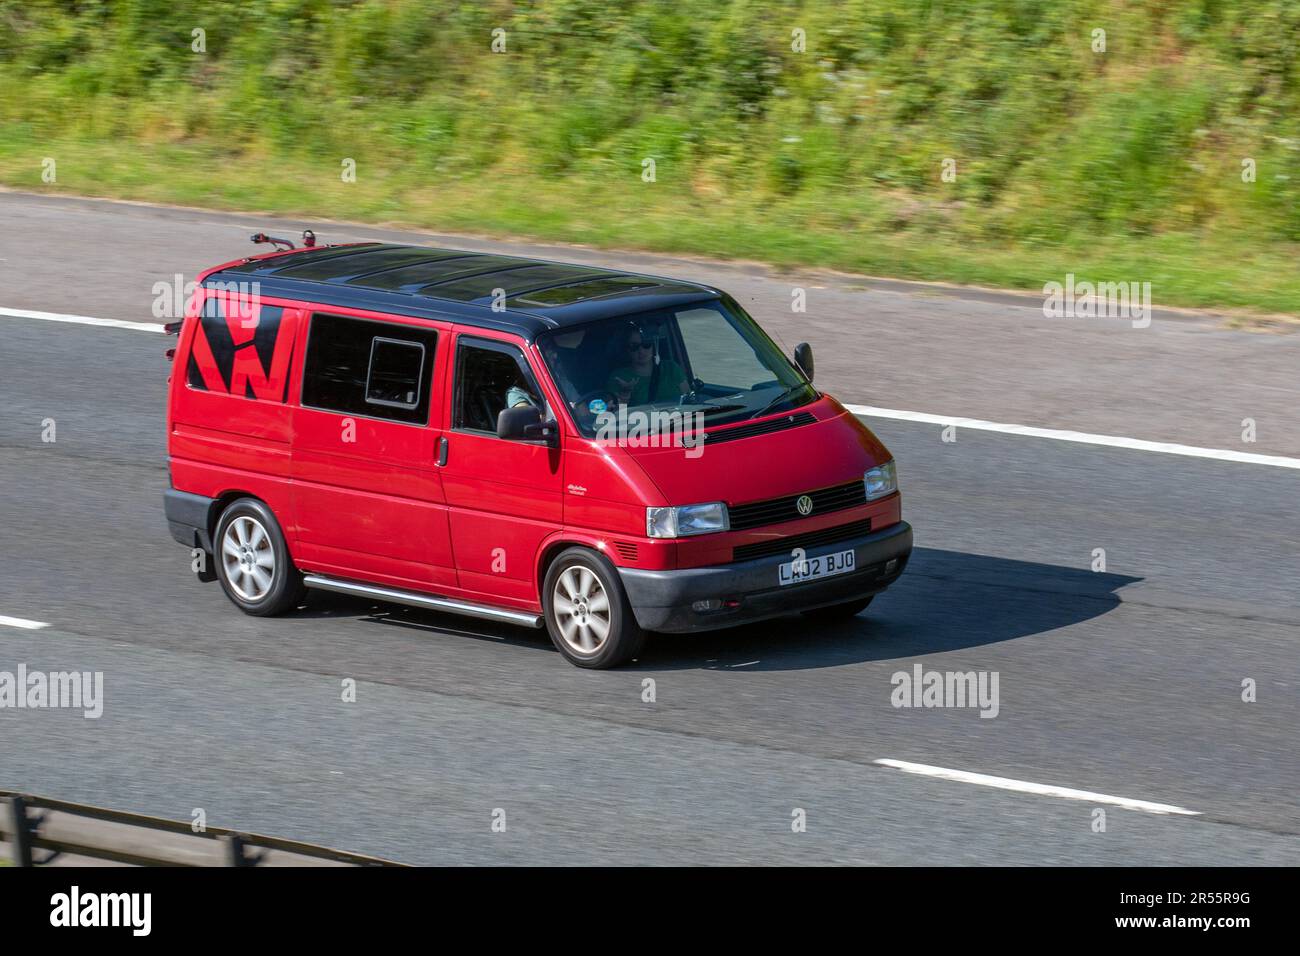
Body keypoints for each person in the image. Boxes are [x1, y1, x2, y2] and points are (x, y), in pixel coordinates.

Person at [606, 325, 689, 407]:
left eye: (646, 344)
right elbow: (613, 413)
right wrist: (625, 393)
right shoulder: (619, 377)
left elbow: (690, 400)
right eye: (634, 346)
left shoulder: (671, 367)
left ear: (653, 345)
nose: (641, 351)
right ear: (626, 349)